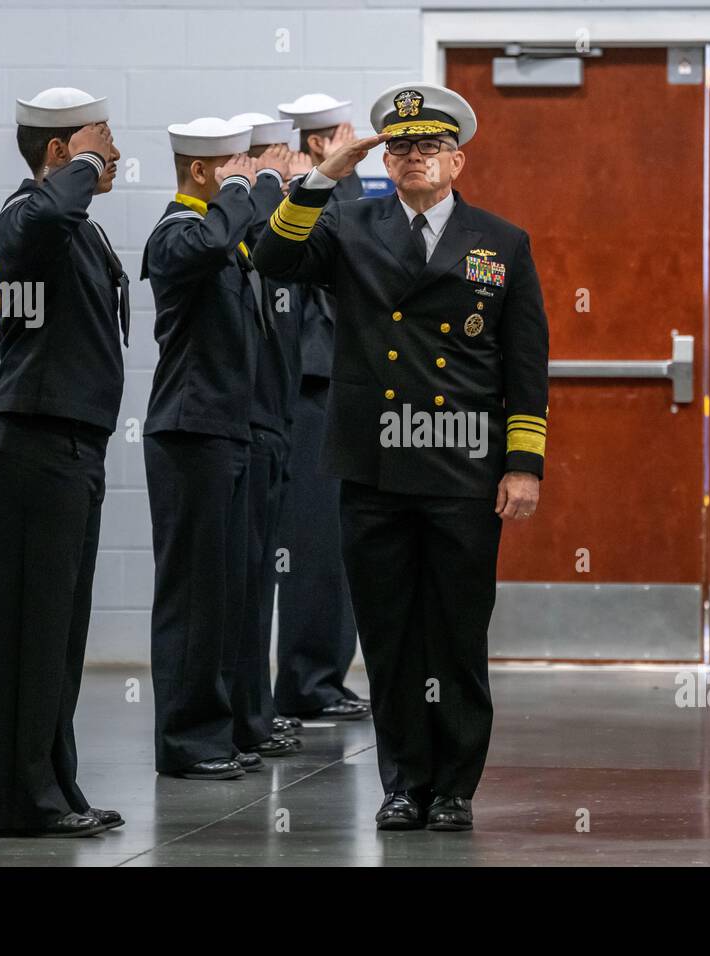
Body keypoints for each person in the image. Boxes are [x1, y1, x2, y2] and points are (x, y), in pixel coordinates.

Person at [255, 83, 550, 832]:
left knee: (454, 635)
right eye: (400, 147)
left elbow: (525, 364)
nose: (412, 157)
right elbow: (274, 257)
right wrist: (323, 176)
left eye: (427, 147)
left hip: (462, 467)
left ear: (457, 159)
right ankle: (402, 783)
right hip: (376, 465)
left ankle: (453, 786)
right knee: (388, 637)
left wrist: (524, 465)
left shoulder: (501, 241)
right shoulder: (351, 224)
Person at [0, 87, 127, 837]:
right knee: (33, 630)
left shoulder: (80, 230)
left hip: (73, 441)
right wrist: (80, 164)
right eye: (103, 145)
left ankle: (54, 784)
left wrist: (83, 161)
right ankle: (21, 797)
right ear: (60, 153)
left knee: (60, 631)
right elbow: (42, 218)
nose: (117, 157)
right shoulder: (23, 213)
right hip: (34, 442)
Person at [143, 117, 293, 780]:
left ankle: (224, 727)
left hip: (227, 431)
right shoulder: (177, 232)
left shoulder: (221, 237)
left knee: (228, 595)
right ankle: (186, 739)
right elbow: (212, 240)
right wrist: (251, 183)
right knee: (194, 597)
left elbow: (253, 241)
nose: (243, 176)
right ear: (203, 172)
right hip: (189, 433)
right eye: (229, 164)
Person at [270, 93, 370, 722]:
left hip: (340, 386)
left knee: (338, 543)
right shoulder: (309, 201)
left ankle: (323, 677)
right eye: (343, 137)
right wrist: (342, 170)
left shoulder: (335, 197)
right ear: (322, 141)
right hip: (313, 387)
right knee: (310, 544)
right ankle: (307, 681)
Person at [224, 112, 311, 752]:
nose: (284, 168)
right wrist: (266, 191)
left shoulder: (277, 222)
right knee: (241, 581)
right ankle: (240, 714)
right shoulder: (233, 224)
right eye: (272, 159)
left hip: (275, 417)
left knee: (259, 583)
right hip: (242, 422)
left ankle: (255, 709)